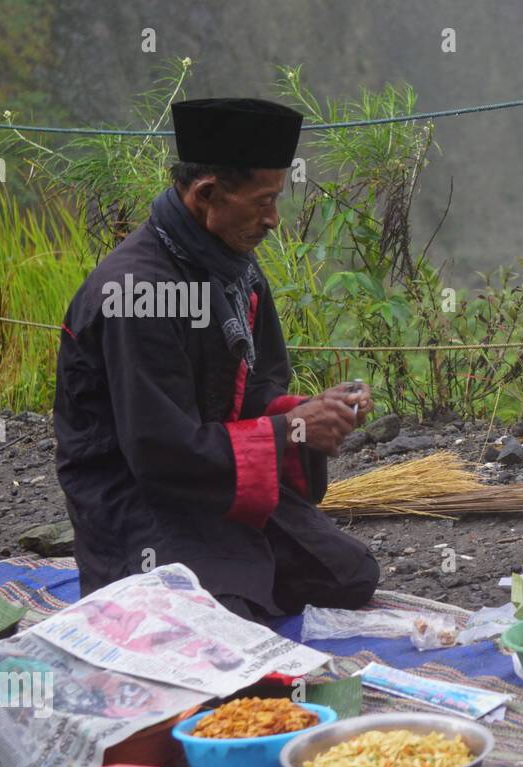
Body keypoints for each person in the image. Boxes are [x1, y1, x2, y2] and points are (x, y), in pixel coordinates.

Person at [53, 98, 380, 620]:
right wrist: (292, 429)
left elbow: (254, 390)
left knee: (350, 574)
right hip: (139, 499)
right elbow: (160, 452)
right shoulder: (136, 292)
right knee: (224, 620)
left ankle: (234, 567)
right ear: (206, 194)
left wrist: (312, 410)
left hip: (216, 479)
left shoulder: (236, 269)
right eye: (263, 201)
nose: (273, 219)